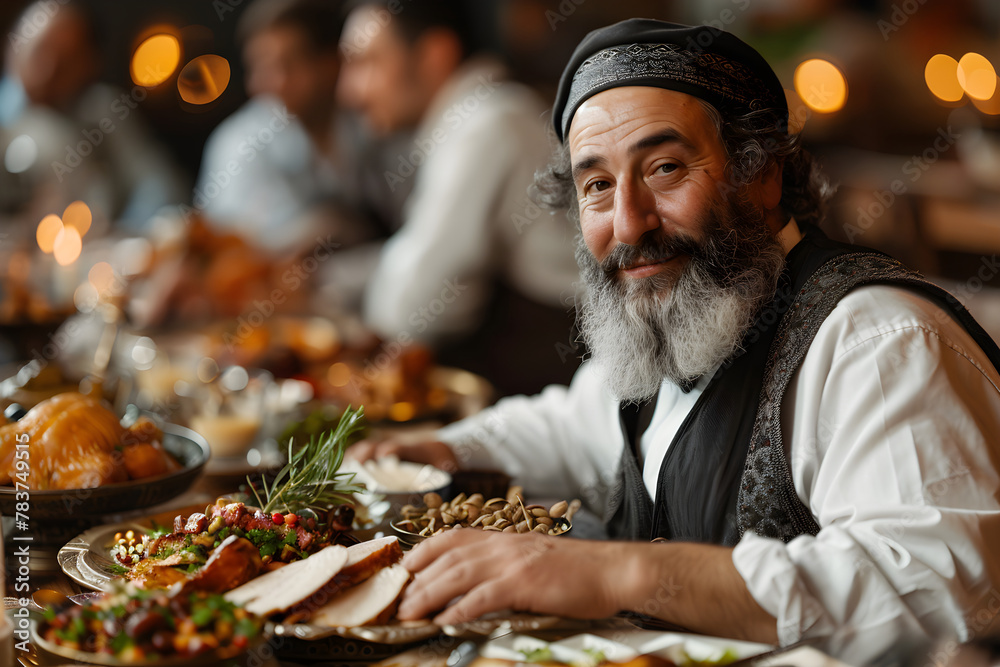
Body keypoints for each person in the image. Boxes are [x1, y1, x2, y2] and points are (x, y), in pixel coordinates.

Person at [351, 19, 1000, 664]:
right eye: (598, 185)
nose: (629, 223)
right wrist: (439, 450)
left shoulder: (878, 341)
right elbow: (572, 426)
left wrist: (616, 574)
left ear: (763, 176)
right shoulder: (691, 313)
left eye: (664, 168)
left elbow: (939, 591)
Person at [332, 0, 581, 397]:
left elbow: (411, 312)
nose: (349, 91)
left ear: (435, 55)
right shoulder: (473, 118)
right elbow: (413, 254)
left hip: (559, 384)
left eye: (367, 62)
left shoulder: (488, 123)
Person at [196, 0, 374, 256]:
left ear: (330, 64)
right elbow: (236, 251)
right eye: (257, 68)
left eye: (283, 66)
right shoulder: (238, 143)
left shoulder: (373, 120)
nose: (264, 84)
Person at [0, 0, 186, 235]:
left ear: (91, 66)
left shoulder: (102, 112)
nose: (47, 72)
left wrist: (126, 237)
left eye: (65, 62)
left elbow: (159, 185)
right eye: (40, 51)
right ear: (12, 44)